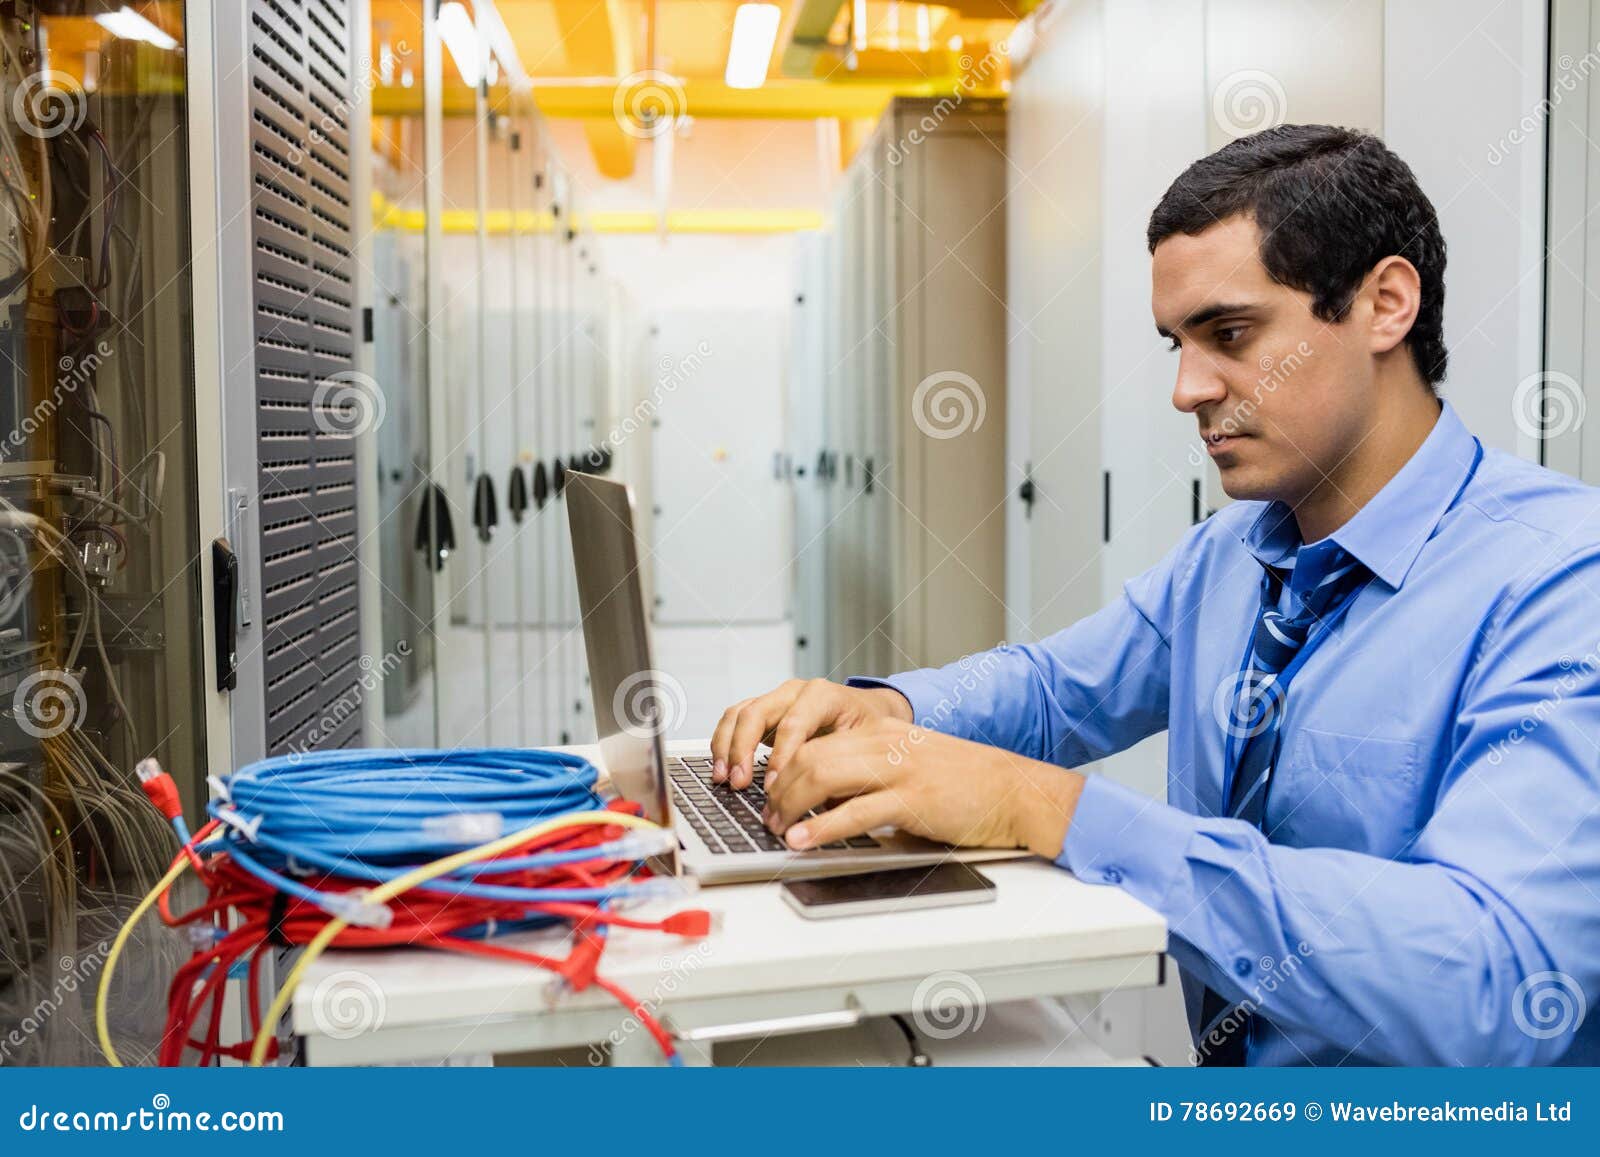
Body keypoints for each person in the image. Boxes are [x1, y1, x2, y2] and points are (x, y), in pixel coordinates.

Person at [711, 125, 1600, 1066]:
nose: (1186, 389)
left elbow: (1493, 984)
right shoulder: (1234, 553)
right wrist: (889, 713)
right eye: (1178, 343)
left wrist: (1045, 808)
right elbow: (1055, 691)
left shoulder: (1559, 581)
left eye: (1230, 334)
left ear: (1385, 305)